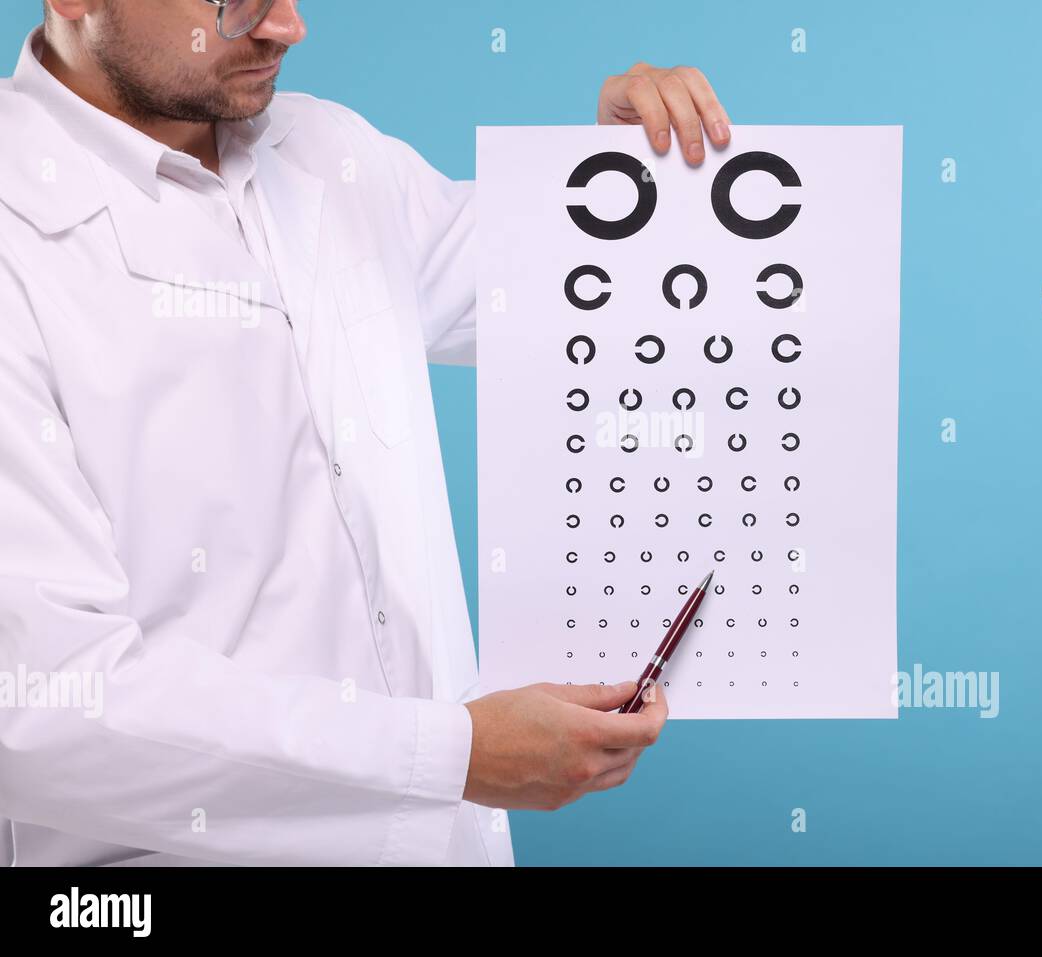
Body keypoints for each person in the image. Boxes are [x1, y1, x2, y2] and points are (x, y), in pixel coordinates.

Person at [0, 0, 733, 866]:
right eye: (235, 2)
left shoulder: (327, 153)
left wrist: (630, 173)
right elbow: (45, 705)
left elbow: (552, 288)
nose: (287, 27)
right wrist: (451, 753)